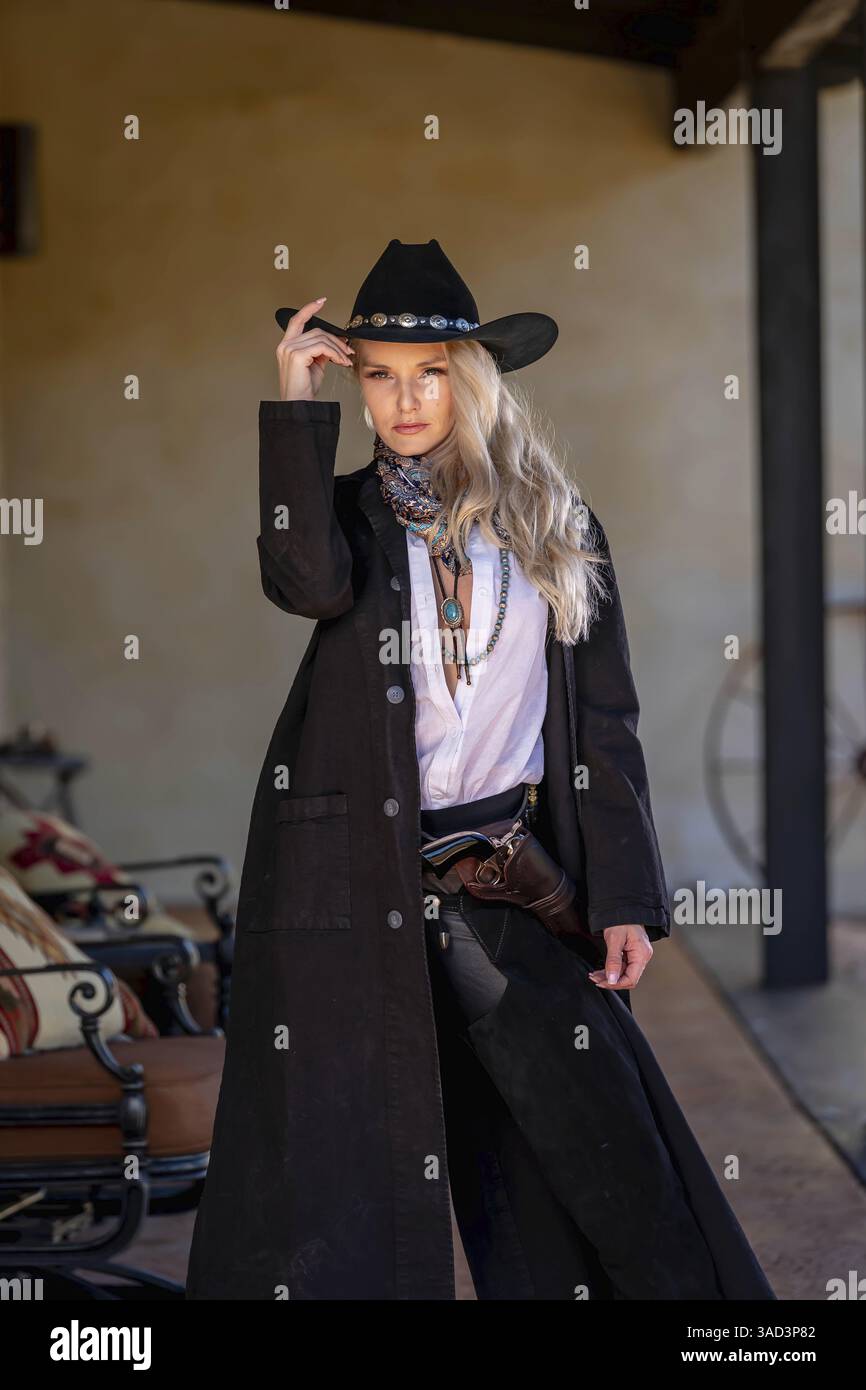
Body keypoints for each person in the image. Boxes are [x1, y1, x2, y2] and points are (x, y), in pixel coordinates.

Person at [185, 239, 776, 1301]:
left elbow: (604, 723)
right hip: (357, 887)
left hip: (506, 877)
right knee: (347, 1175)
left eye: (429, 373)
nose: (405, 399)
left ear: (471, 377)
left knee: (600, 1137)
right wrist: (289, 405)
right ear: (353, 383)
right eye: (377, 374)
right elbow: (301, 581)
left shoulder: (552, 523)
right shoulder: (346, 521)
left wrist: (625, 897)